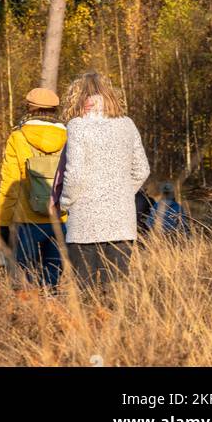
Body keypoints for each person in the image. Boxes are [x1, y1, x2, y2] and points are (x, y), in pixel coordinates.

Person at [51, 71, 150, 287]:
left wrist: (65, 202)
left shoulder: (78, 125)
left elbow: (74, 175)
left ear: (77, 96)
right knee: (116, 293)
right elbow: (142, 169)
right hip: (121, 222)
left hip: (85, 223)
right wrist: (120, 192)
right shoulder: (127, 124)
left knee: (86, 292)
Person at [0, 87, 67, 288]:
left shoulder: (17, 138)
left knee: (23, 280)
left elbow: (9, 183)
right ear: (55, 110)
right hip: (59, 219)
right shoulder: (69, 137)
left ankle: (29, 316)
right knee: (52, 279)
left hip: (26, 221)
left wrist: (2, 222)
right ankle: (50, 314)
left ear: (29, 108)